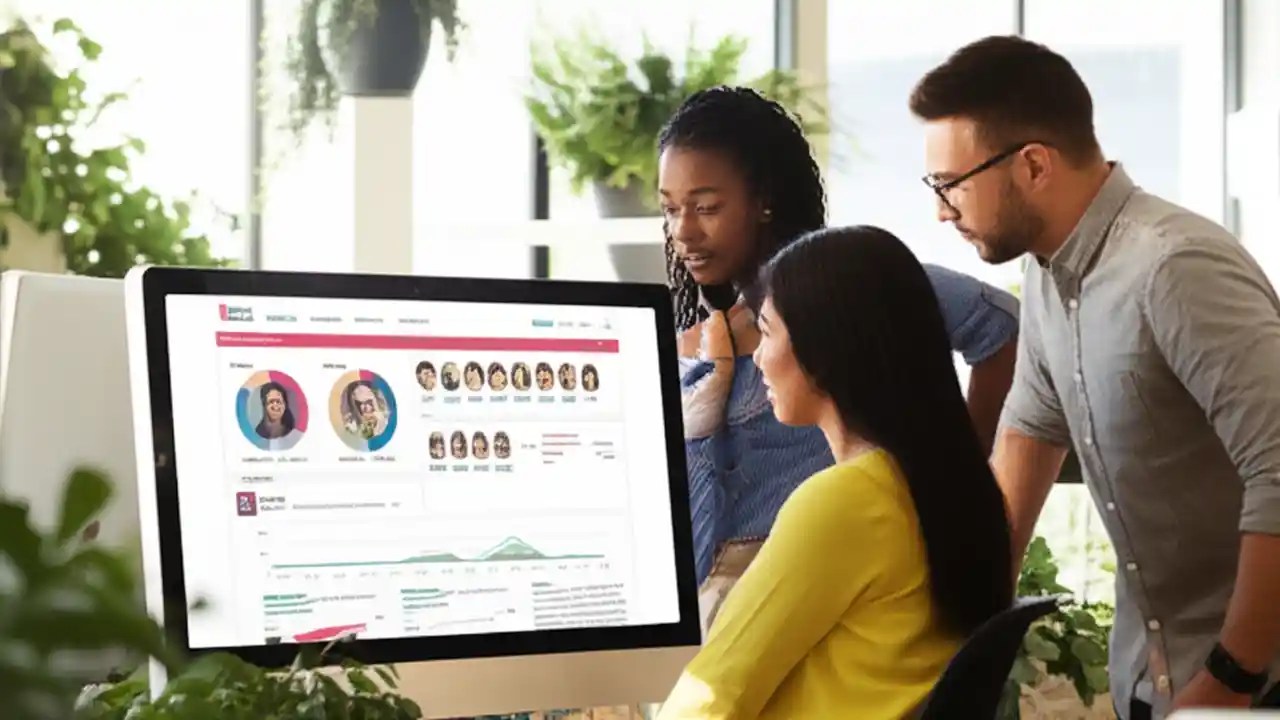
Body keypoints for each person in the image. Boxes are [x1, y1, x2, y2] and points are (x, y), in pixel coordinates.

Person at [910, 35, 1280, 718]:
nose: (941, 210)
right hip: (1152, 681)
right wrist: (950, 649)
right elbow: (1025, 440)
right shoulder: (1048, 276)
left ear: (1032, 165)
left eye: (951, 184)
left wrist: (1230, 682)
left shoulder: (1175, 267)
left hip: (1249, 687)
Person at [658, 86, 1020, 614]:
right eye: (670, 210)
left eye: (707, 207)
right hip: (720, 600)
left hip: (821, 586)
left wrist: (963, 466)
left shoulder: (848, 293)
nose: (684, 231)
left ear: (764, 200)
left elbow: (1003, 329)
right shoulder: (701, 343)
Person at [657, 226, 1013, 718]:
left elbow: (711, 697)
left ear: (822, 352)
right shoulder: (944, 487)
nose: (757, 357)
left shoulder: (844, 502)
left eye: (767, 331)